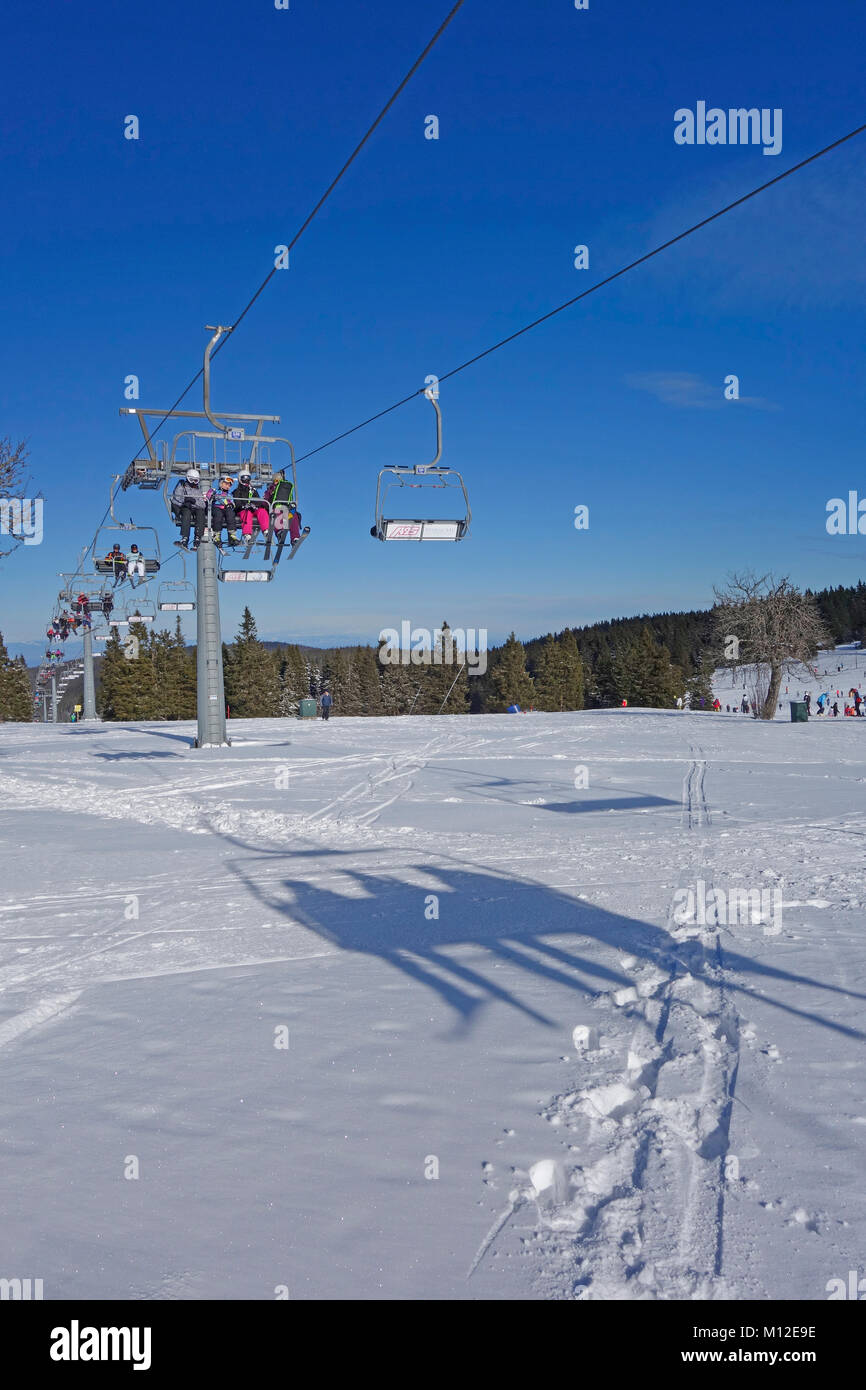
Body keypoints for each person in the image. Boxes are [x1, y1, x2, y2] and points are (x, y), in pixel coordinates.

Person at [171, 468, 207, 549]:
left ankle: (198, 536)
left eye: (196, 480)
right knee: (187, 513)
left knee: (201, 513)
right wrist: (185, 501)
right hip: (184, 507)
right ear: (187, 478)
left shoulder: (198, 490)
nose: (193, 482)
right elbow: (176, 499)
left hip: (194, 508)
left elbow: (202, 504)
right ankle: (185, 538)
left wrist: (194, 502)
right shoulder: (182, 486)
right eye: (192, 480)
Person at [234, 471, 271, 538]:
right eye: (244, 478)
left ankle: (266, 530)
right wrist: (244, 506)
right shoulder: (237, 491)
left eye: (248, 478)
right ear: (240, 479)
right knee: (247, 513)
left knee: (262, 511)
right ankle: (247, 534)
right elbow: (237, 503)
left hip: (253, 509)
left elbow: (258, 501)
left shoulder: (253, 490)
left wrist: (254, 505)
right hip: (243, 510)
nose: (246, 480)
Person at [207, 477, 242, 547]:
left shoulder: (229, 495)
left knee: (231, 515)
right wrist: (212, 496)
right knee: (218, 516)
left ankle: (232, 535)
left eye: (229, 485)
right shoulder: (215, 491)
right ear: (221, 483)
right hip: (217, 507)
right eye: (226, 484)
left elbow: (232, 502)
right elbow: (208, 496)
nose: (227, 486)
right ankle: (217, 535)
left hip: (226, 508)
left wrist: (231, 505)